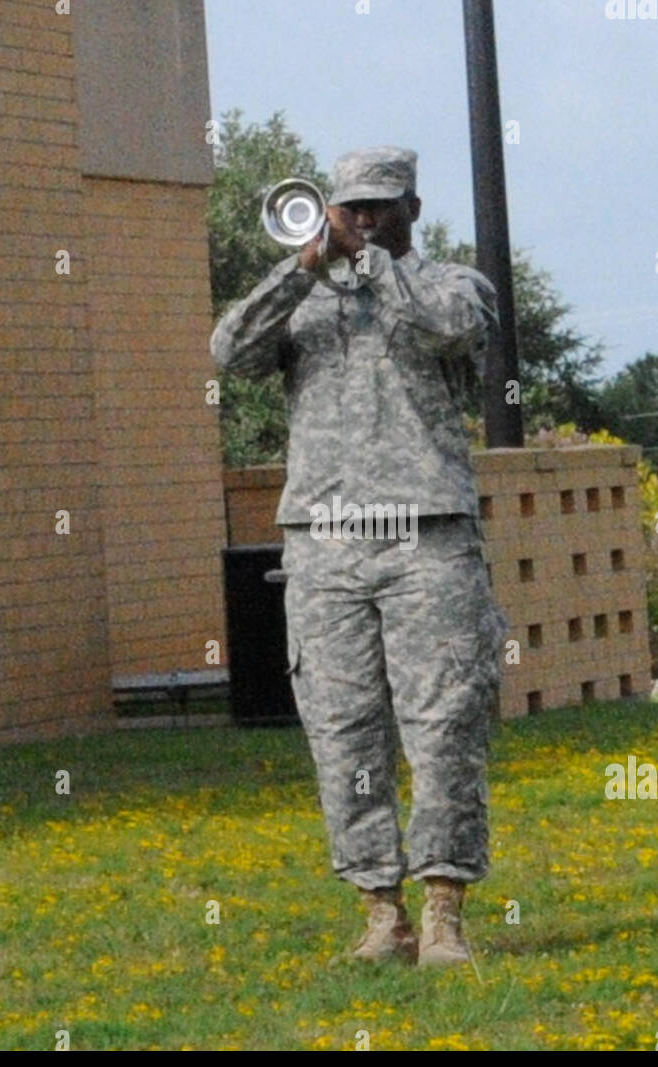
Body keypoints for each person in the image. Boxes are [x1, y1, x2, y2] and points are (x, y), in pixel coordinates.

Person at [210, 146, 508, 967]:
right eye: (353, 207)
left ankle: (445, 910)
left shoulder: (451, 284)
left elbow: (451, 333)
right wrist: (303, 267)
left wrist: (379, 264)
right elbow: (228, 352)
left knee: (445, 725)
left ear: (414, 204)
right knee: (343, 732)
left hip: (428, 536)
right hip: (324, 541)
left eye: (381, 205)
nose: (366, 219)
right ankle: (382, 913)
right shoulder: (307, 296)